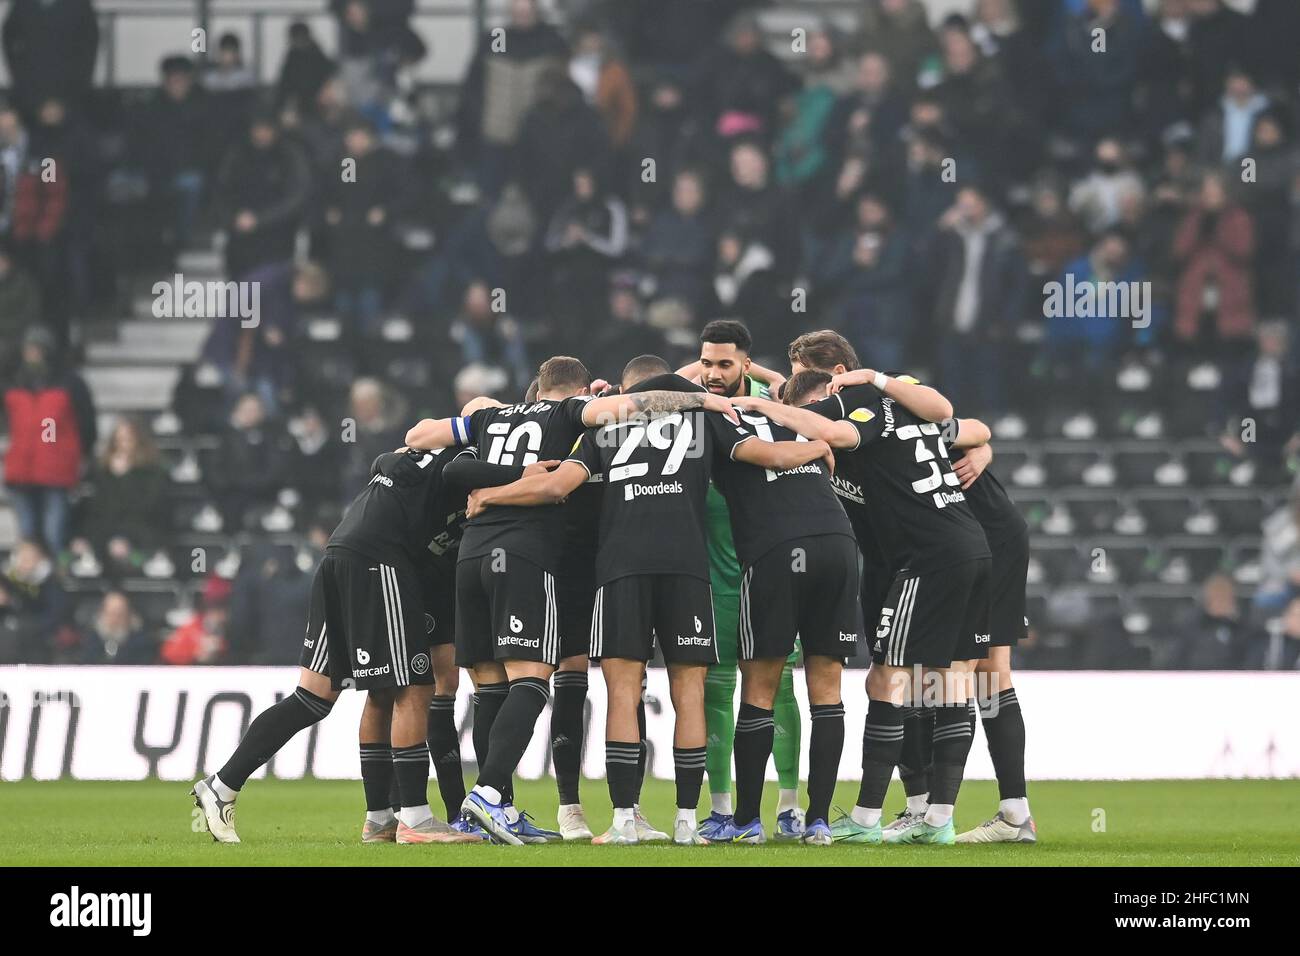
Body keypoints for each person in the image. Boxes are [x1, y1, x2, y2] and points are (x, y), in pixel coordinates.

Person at [464, 365, 832, 845]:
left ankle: (622, 821)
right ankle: (685, 821)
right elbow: (768, 456)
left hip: (621, 568)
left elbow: (556, 487)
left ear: (630, 389)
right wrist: (818, 446)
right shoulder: (705, 418)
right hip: (686, 567)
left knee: (623, 691)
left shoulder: (605, 426)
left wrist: (491, 494)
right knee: (690, 692)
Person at [403, 357, 741, 844]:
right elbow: (638, 404)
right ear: (583, 392)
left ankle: (510, 809)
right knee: (540, 682)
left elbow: (422, 440)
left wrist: (497, 479)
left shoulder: (490, 416)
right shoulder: (580, 417)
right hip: (542, 558)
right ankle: (502, 796)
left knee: (491, 689)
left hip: (474, 557)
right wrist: (703, 396)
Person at [191, 442, 496, 846]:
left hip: (340, 554)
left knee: (322, 697)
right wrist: (526, 477)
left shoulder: (420, 455)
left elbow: (385, 462)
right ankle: (416, 820)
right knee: (415, 687)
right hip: (379, 561)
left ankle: (224, 787)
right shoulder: (469, 458)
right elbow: (458, 474)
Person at [754, 333, 990, 844]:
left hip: (929, 555)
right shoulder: (888, 408)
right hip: (964, 546)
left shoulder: (863, 402)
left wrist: (756, 404)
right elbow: (966, 424)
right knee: (946, 683)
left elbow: (829, 423)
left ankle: (865, 820)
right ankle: (937, 819)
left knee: (886, 680)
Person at [708, 378, 862, 845]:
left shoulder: (721, 425)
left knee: (758, 688)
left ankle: (748, 821)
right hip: (838, 545)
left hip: (777, 552)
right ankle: (817, 821)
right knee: (827, 690)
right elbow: (828, 454)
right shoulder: (801, 425)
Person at [675, 321, 807, 841]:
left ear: (747, 366)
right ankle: (724, 807)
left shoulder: (776, 402)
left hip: (770, 563)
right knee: (717, 686)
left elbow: (788, 387)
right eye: (705, 363)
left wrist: (761, 377)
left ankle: (790, 806)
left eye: (725, 364)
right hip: (714, 569)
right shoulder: (693, 402)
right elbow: (662, 380)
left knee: (779, 687)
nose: (711, 373)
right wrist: (705, 375)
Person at [2, 325, 95, 553]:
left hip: (56, 471)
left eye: (36, 349)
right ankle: (28, 585)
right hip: (21, 470)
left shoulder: (70, 384)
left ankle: (56, 584)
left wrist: (80, 455)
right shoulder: (13, 384)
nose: (32, 354)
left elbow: (85, 425)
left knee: (54, 534)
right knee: (27, 535)